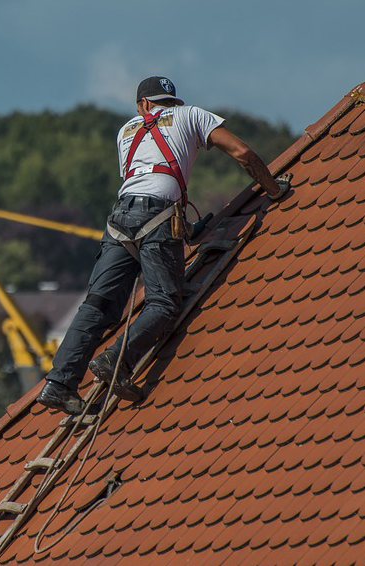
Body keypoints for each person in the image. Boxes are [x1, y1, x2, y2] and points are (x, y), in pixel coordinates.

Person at [37, 76, 291, 415]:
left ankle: (59, 384)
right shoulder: (192, 115)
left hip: (119, 221)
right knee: (165, 303)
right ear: (171, 101)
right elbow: (242, 152)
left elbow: (144, 183)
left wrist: (184, 230)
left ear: (143, 105)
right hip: (157, 217)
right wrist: (273, 189)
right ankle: (116, 361)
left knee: (97, 305)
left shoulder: (125, 131)